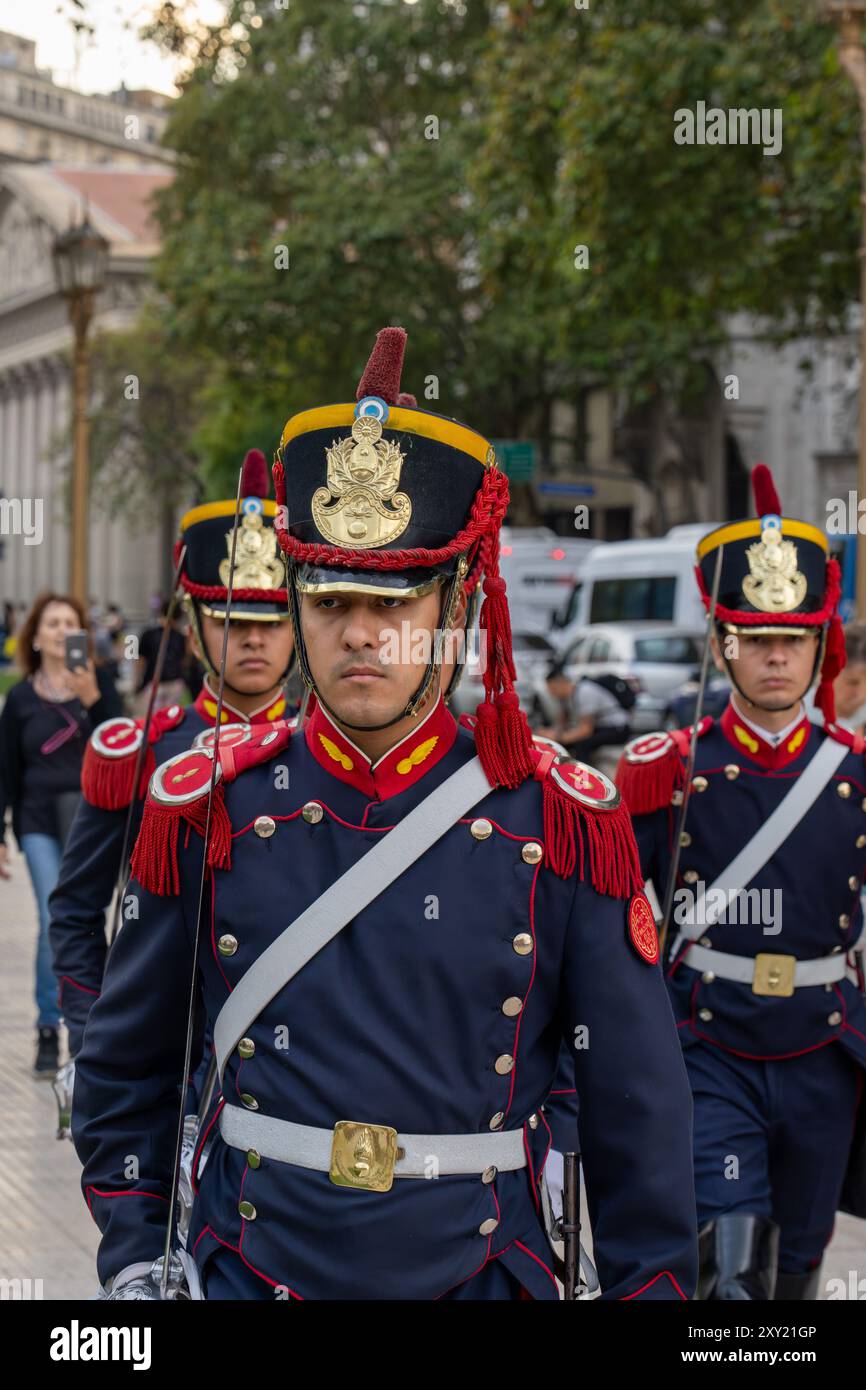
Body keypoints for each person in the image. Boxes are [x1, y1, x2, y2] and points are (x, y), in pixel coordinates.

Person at [72, 327, 696, 1302]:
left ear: (455, 606)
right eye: (327, 600)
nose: (359, 631)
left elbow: (638, 1112)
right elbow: (130, 1067)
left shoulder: (560, 817)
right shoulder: (209, 804)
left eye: (394, 601)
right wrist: (133, 1252)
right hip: (252, 1266)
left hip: (480, 1269)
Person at [616, 464, 866, 1302]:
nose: (774, 657)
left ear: (817, 646)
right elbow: (618, 915)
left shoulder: (854, 775)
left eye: (791, 640)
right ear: (723, 644)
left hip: (823, 1043)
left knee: (798, 1261)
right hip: (710, 1040)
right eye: (755, 639)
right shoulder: (670, 771)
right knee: (730, 1263)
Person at [49, 450, 296, 1063]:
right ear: (192, 624)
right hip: (161, 1058)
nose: (254, 638)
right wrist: (91, 1032)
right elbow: (78, 909)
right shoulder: (143, 749)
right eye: (232, 620)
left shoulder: (324, 752)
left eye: (274, 619)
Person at [0, 591, 121, 1077]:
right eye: (51, 623)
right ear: (36, 634)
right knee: (56, 918)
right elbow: (6, 769)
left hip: (91, 824)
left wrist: (93, 697)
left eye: (70, 622)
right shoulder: (22, 698)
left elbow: (122, 743)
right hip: (37, 821)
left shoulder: (100, 684)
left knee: (89, 918)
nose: (60, 630)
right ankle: (52, 1027)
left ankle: (88, 1024)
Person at [536, 662, 632, 761]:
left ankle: (582, 773)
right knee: (568, 741)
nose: (552, 694)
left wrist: (558, 737)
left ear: (561, 683)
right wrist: (549, 733)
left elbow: (586, 730)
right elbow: (562, 723)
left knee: (582, 744)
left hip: (617, 728)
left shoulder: (584, 692)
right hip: (600, 727)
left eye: (553, 689)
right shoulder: (566, 698)